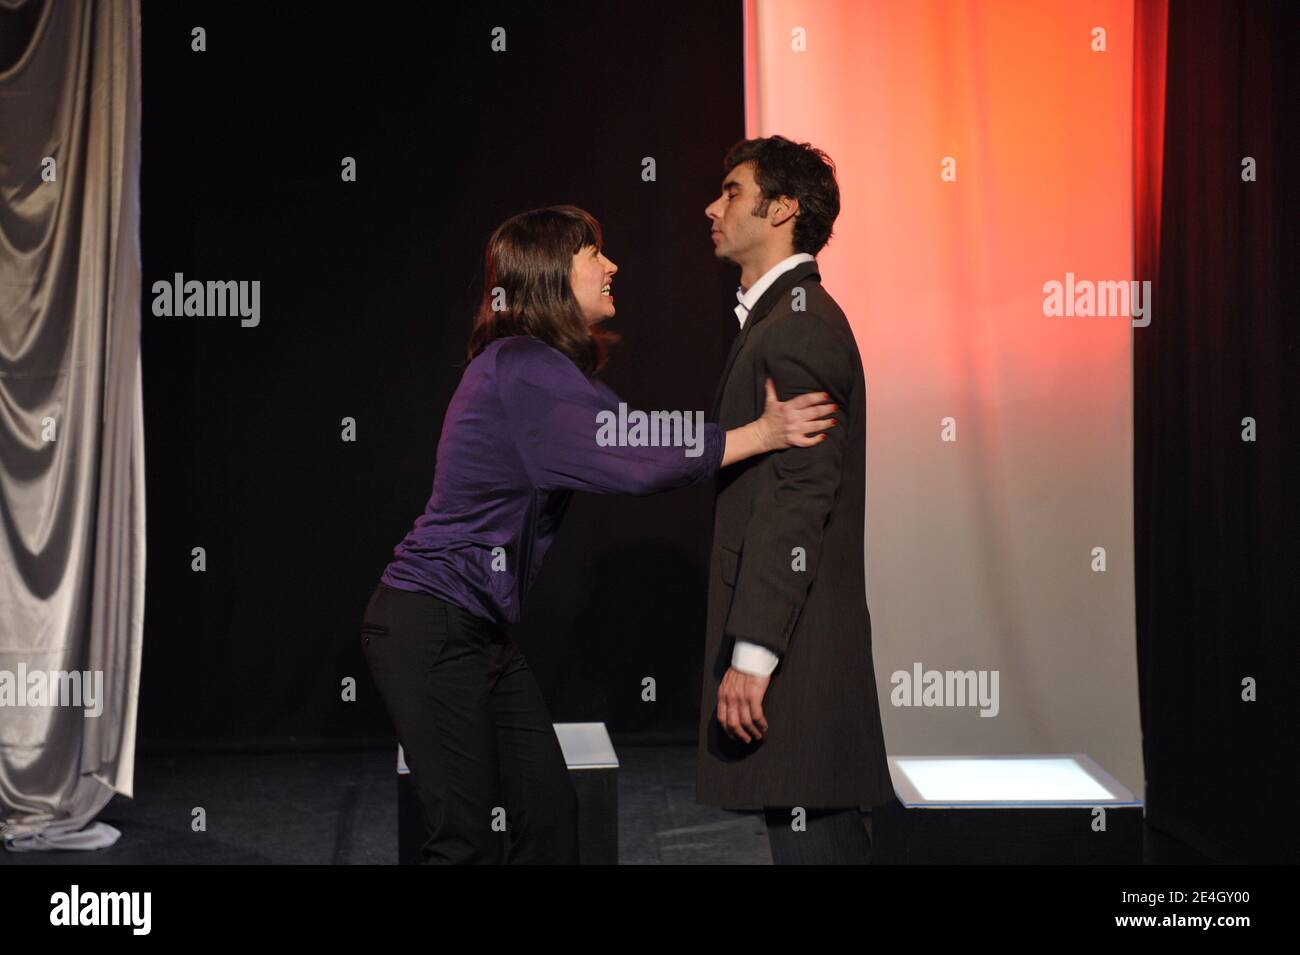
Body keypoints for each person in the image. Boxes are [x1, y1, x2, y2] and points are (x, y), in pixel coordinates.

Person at [361, 205, 836, 864]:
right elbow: (635, 451)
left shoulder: (538, 368)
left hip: (477, 633)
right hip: (430, 624)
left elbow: (632, 431)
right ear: (554, 274)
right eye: (593, 255)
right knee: (461, 839)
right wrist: (761, 433)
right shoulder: (521, 365)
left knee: (551, 814)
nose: (612, 266)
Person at [698, 136, 895, 864]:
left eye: (731, 191)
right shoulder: (783, 316)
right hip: (798, 640)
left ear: (781, 209)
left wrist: (752, 654)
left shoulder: (801, 322)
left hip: (799, 647)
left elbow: (800, 497)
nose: (711, 208)